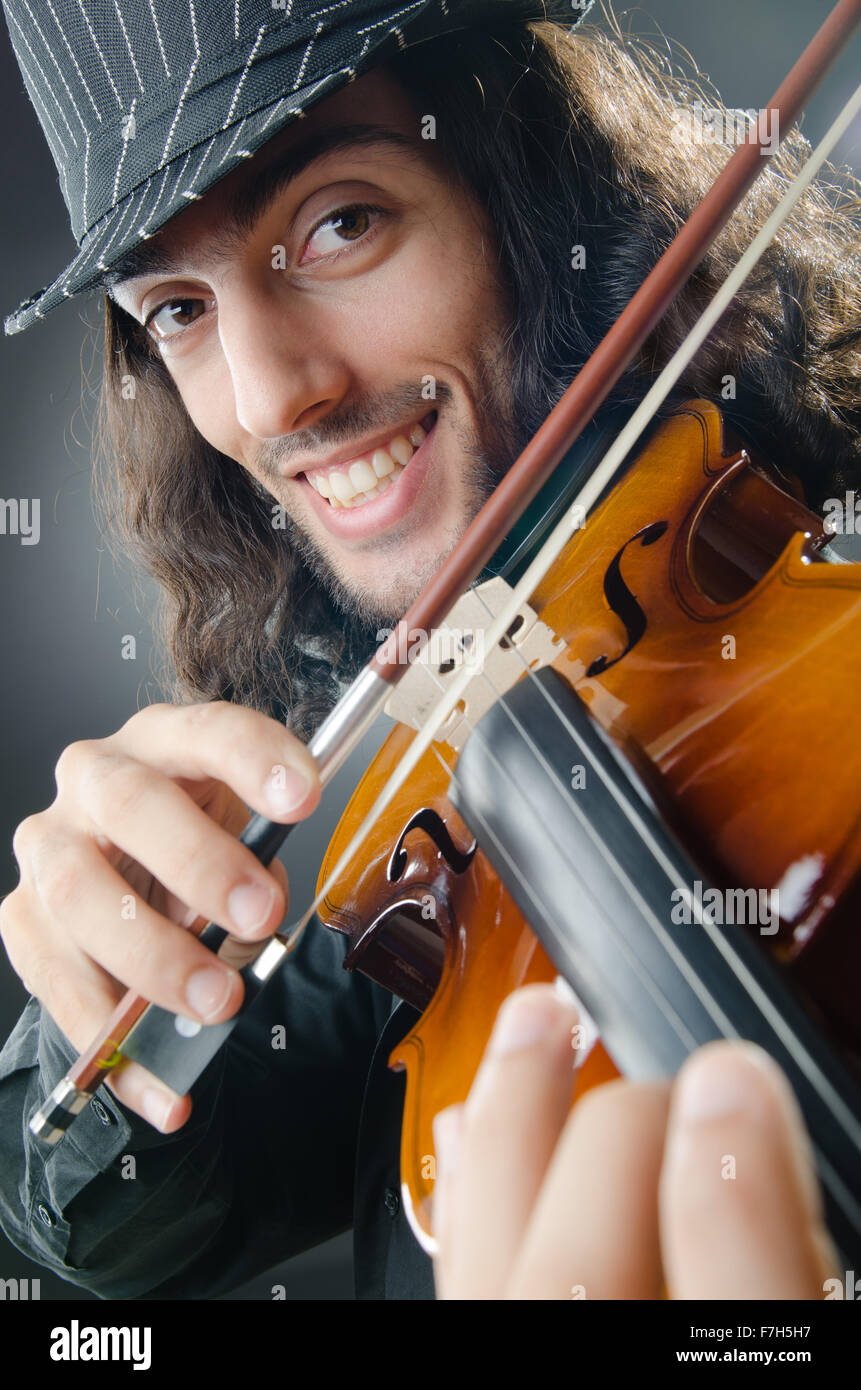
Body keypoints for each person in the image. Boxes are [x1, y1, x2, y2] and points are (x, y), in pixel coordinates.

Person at [0, 0, 857, 1300]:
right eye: (176, 309)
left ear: (524, 179)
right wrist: (103, 1012)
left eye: (338, 221)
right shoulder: (430, 843)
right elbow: (113, 1226)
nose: (266, 394)